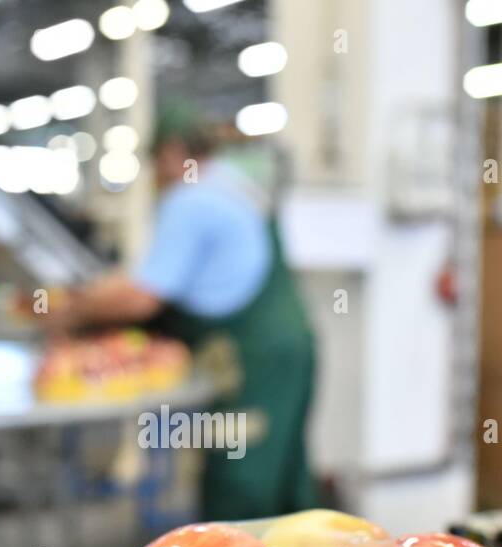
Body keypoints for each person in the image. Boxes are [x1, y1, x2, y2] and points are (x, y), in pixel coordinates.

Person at [55, 101, 320, 521]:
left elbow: (143, 297)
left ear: (175, 151)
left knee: (241, 476)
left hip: (251, 358)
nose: (156, 175)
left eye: (157, 161)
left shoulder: (190, 200)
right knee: (285, 471)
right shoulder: (235, 183)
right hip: (291, 347)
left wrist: (74, 307)